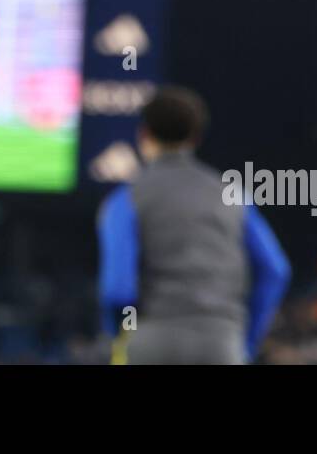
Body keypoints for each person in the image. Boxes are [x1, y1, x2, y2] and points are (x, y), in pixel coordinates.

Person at [97, 86, 291, 363]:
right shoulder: (234, 195)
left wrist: (118, 338)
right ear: (196, 137)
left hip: (151, 341)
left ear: (144, 135)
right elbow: (276, 270)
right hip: (221, 342)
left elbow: (117, 290)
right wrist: (244, 339)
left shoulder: (124, 200)